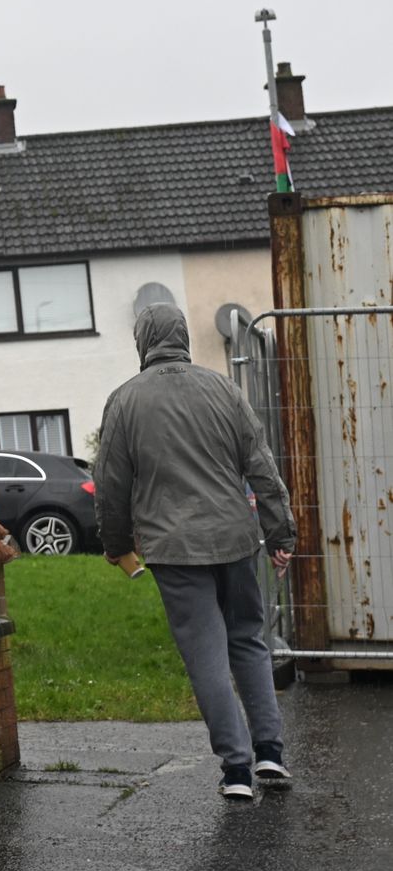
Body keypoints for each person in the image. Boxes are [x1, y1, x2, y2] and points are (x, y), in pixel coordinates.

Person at [94, 302, 296, 800]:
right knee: (249, 640)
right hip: (235, 539)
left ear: (143, 340)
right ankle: (270, 749)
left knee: (206, 654)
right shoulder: (224, 389)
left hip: (173, 548)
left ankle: (236, 770)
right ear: (182, 335)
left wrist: (117, 546)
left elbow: (111, 485)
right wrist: (281, 533)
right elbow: (262, 466)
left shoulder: (124, 402)